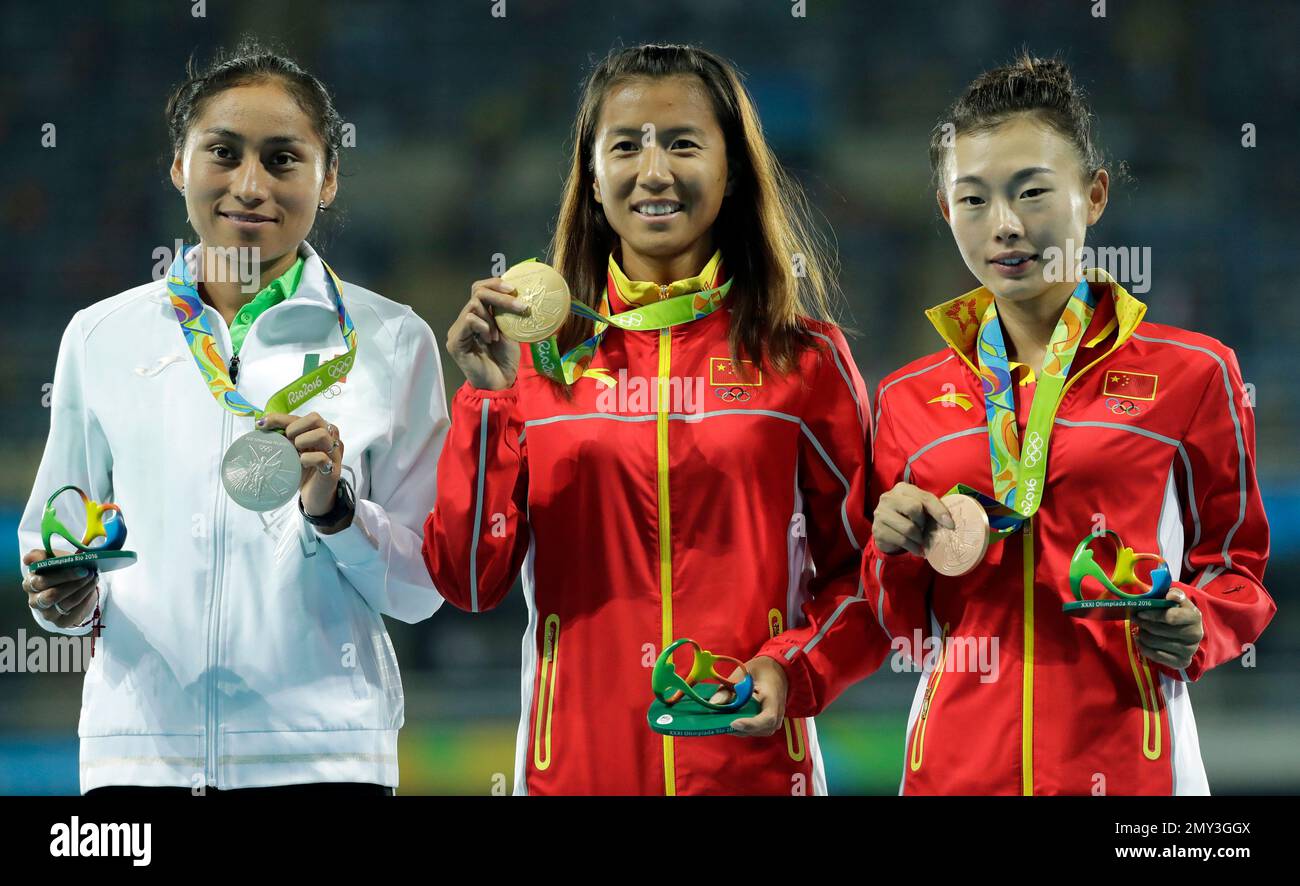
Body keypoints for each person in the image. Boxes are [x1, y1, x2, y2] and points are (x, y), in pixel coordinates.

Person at [424, 44, 888, 795]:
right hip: (576, 776)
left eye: (683, 144)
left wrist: (792, 667)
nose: (654, 172)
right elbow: (467, 582)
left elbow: (869, 575)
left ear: (732, 171)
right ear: (592, 176)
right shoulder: (538, 363)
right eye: (625, 147)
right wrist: (486, 403)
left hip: (754, 774)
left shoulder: (802, 359)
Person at [17, 38, 448, 796]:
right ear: (179, 166)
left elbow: (421, 589)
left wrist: (338, 513)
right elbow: (53, 540)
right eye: (223, 153)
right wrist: (63, 596)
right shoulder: (100, 337)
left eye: (283, 160)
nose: (250, 186)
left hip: (322, 761)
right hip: (137, 762)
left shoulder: (392, 342)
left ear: (328, 177)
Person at [867, 52, 1275, 795]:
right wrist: (890, 551)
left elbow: (1236, 567)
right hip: (953, 772)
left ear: (1093, 195)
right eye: (973, 200)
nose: (1005, 225)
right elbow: (901, 626)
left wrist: (1201, 621)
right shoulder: (905, 399)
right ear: (945, 212)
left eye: (1032, 192)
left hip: (1134, 767)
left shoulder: (1194, 374)